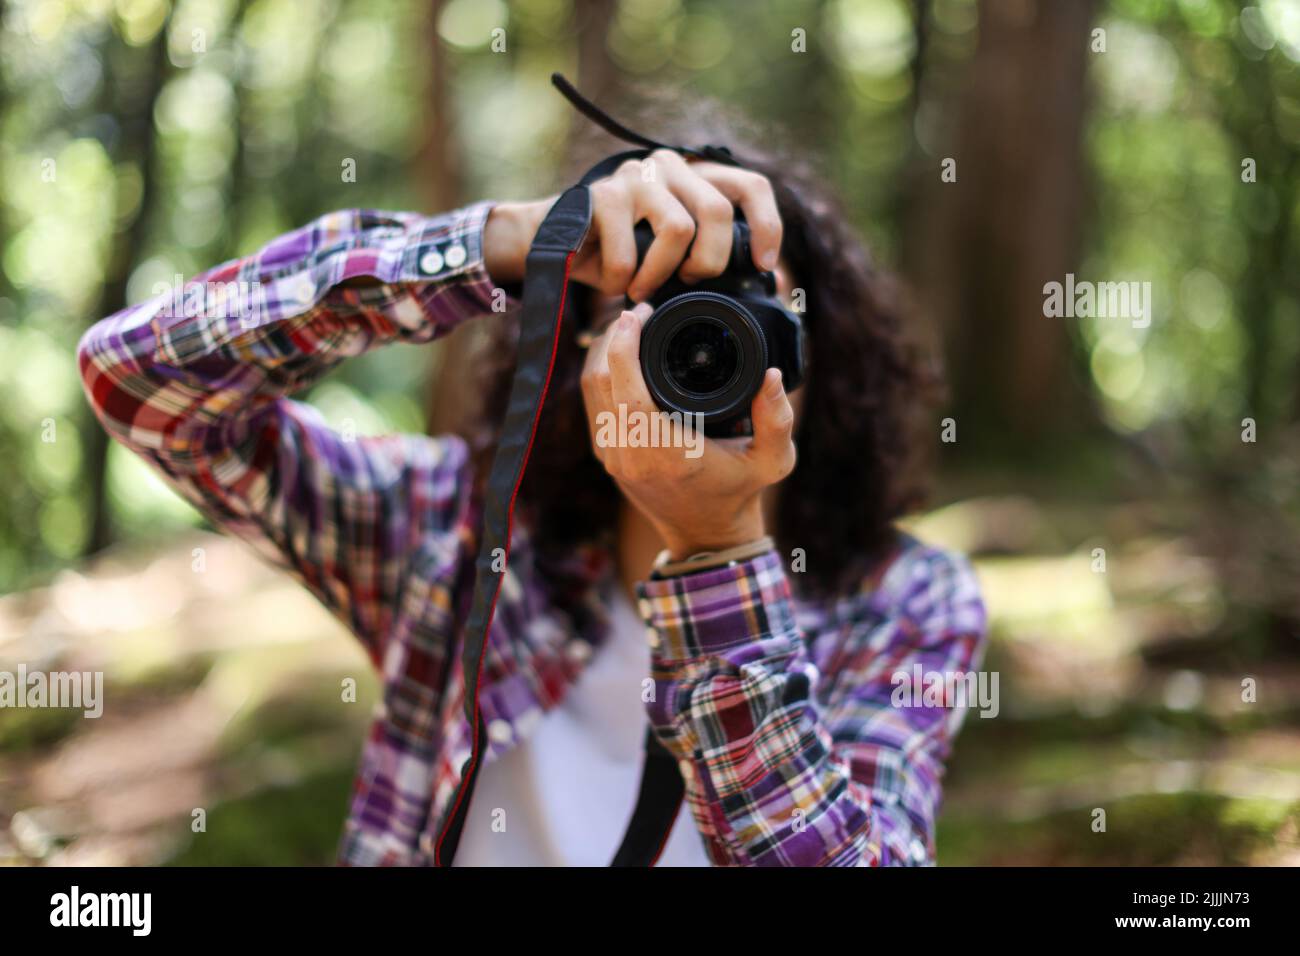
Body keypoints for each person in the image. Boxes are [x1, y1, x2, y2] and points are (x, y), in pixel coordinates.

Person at [78, 99, 987, 867]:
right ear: (577, 354)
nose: (704, 350)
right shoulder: (450, 537)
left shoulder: (905, 601)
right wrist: (503, 241)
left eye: (748, 312)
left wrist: (720, 558)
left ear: (818, 357)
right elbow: (141, 378)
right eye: (656, 311)